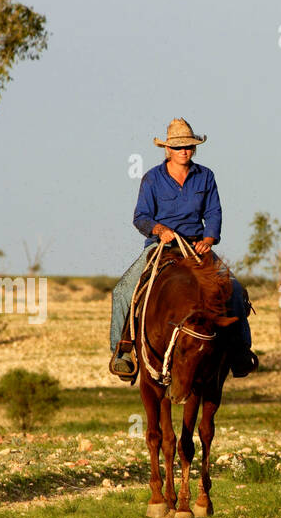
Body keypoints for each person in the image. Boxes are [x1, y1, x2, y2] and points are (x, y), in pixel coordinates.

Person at [109, 118, 257, 380]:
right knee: (123, 291)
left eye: (188, 146)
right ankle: (123, 351)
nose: (184, 151)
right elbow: (141, 216)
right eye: (178, 147)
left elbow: (213, 212)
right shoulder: (152, 178)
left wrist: (209, 239)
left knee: (234, 289)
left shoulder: (206, 176)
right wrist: (158, 230)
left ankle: (240, 351)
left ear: (194, 148)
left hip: (197, 246)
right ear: (167, 150)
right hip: (161, 247)